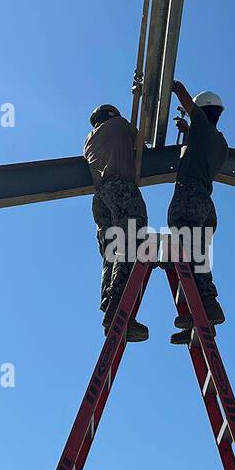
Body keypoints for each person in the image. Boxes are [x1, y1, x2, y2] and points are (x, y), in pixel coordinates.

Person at [168, 81, 228, 345]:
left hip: (189, 197)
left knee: (184, 256)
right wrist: (189, 130)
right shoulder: (220, 142)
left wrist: (169, 85)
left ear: (202, 112)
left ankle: (207, 308)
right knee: (197, 257)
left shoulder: (201, 127)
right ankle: (200, 319)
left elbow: (182, 93)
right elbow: (201, 143)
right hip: (205, 203)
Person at [83, 104, 148, 342]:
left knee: (111, 252)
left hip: (100, 198)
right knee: (132, 243)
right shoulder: (120, 125)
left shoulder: (88, 140)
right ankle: (121, 309)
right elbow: (143, 139)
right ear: (112, 116)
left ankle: (109, 305)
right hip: (121, 188)